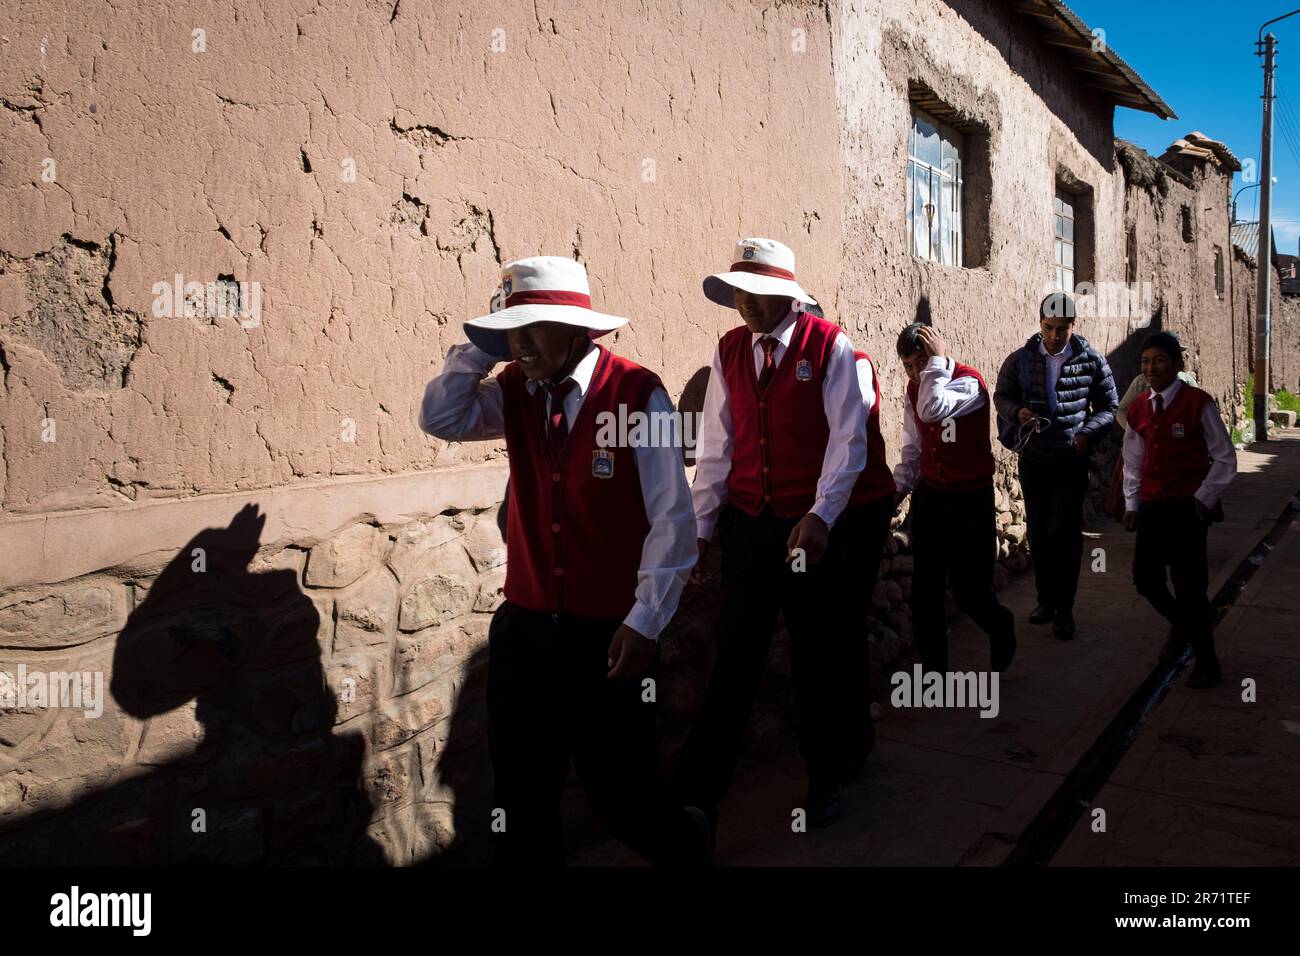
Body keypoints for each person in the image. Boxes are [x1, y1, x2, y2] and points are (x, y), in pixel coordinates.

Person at [420, 255, 709, 865]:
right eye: (511, 330)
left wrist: (645, 620)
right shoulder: (515, 392)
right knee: (524, 796)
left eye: (534, 327)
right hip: (525, 627)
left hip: (606, 634)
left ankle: (685, 844)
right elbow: (442, 417)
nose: (520, 345)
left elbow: (673, 519)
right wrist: (482, 345)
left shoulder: (638, 394)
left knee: (619, 795)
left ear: (577, 328)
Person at [675, 237, 883, 832]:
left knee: (814, 656)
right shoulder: (728, 352)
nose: (750, 304)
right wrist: (702, 528)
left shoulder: (829, 346)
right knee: (735, 658)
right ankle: (700, 797)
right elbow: (717, 448)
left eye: (763, 294)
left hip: (804, 532)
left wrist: (821, 515)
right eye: (742, 293)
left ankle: (823, 779)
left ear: (788, 296)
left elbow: (849, 440)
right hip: (747, 528)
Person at [993, 291, 1118, 639]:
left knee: (1066, 535)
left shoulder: (1090, 360)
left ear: (1072, 326)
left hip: (1070, 461)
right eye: (1048, 327)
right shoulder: (1020, 360)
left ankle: (1065, 608)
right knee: (1039, 532)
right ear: (1040, 323)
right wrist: (1016, 413)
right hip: (1033, 460)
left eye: (1061, 329)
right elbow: (1001, 395)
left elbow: (1109, 406)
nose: (1053, 336)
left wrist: (1087, 435)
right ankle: (1045, 600)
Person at [893, 322, 1016, 675]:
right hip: (932, 498)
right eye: (909, 367)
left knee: (970, 593)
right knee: (925, 593)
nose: (916, 373)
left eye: (921, 362)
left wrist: (937, 362)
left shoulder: (968, 382)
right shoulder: (915, 388)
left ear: (935, 356)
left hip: (969, 502)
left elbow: (934, 408)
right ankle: (934, 671)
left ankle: (999, 625)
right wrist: (899, 489)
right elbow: (913, 446)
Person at [1122, 331, 1236, 688]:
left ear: (1176, 365)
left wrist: (1203, 498)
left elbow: (1224, 457)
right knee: (1146, 579)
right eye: (1145, 362)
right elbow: (1133, 459)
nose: (1151, 368)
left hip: (1188, 508)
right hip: (1153, 506)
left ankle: (1207, 662)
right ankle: (1186, 626)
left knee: (1189, 587)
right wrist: (1131, 501)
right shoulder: (1140, 405)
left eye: (1159, 361)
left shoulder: (1197, 403)